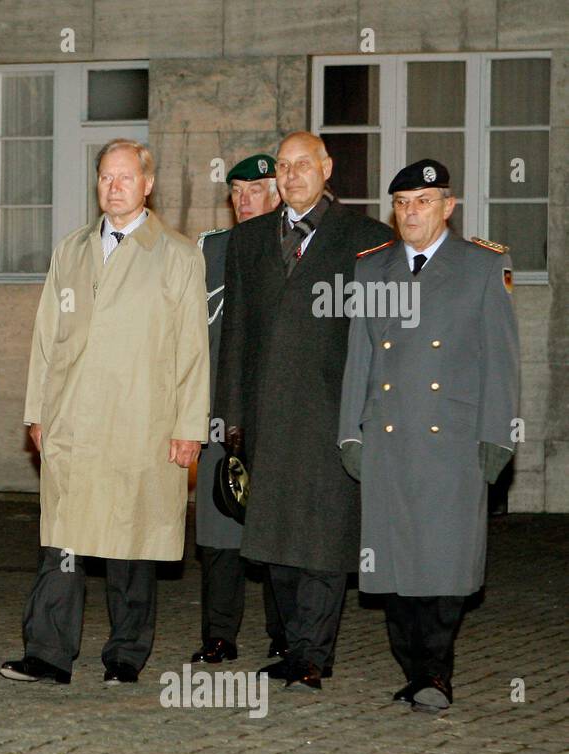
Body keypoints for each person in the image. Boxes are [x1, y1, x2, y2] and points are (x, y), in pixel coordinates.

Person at [2, 139, 209, 686]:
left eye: (124, 177)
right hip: (72, 422)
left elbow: (192, 348)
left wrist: (190, 427)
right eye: (104, 178)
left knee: (132, 545)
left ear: (147, 184)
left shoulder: (179, 255)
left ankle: (125, 654)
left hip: (142, 423)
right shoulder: (70, 251)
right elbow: (46, 337)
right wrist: (36, 412)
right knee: (62, 543)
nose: (113, 187)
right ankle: (48, 654)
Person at [338, 159, 520, 714]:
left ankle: (435, 674)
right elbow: (360, 357)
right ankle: (414, 668)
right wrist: (350, 432)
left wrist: (499, 436)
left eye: (422, 201)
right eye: (401, 203)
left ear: (448, 206)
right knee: (391, 566)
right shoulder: (373, 269)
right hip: (388, 436)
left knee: (442, 564)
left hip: (453, 440)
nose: (411, 212)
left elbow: (503, 360)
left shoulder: (483, 266)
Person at [216, 131, 393, 691]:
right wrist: (231, 415)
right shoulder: (247, 242)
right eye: (284, 168)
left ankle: (314, 654)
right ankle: (294, 648)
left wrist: (372, 416)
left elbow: (382, 337)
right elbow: (236, 333)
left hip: (330, 415)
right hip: (266, 416)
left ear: (327, 168)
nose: (292, 176)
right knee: (274, 543)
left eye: (302, 165)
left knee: (322, 540)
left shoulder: (367, 240)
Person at [192, 153, 287, 665]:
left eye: (256, 189)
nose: (244, 199)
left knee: (275, 530)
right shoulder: (210, 250)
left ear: (279, 193)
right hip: (218, 412)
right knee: (218, 532)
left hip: (276, 415)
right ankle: (220, 635)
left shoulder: (293, 249)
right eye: (236, 191)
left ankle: (285, 633)